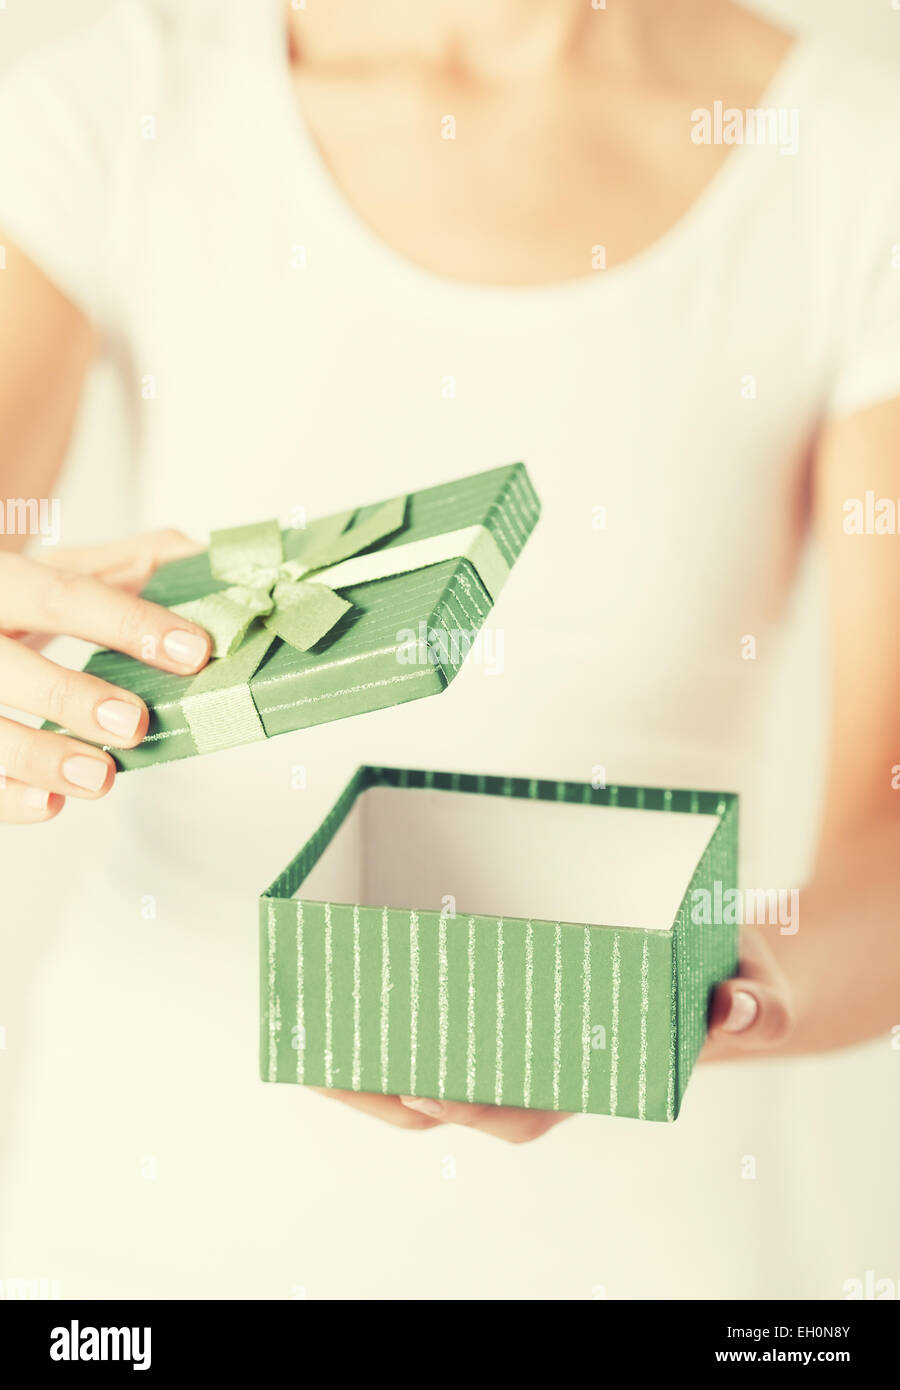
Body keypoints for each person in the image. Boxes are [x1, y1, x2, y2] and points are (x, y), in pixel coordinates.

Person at [0, 0, 898, 1299]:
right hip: (146, 1233)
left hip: (654, 1247)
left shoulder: (851, 158)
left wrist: (687, 992)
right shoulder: (123, 102)